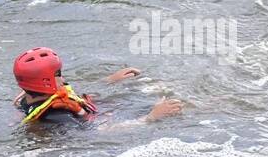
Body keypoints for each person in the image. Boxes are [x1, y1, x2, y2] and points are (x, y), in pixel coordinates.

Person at [13, 47, 183, 124]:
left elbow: (76, 96)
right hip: (96, 125)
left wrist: (109, 80)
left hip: (93, 113)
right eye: (58, 75)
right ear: (45, 82)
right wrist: (150, 117)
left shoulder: (26, 101)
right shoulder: (59, 118)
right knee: (176, 108)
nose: (63, 79)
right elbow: (101, 133)